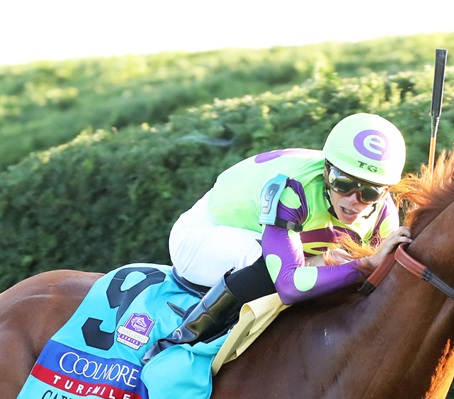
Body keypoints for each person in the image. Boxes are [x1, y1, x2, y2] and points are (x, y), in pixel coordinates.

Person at [143, 112, 413, 362]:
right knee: (270, 262)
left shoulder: (383, 214)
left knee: (335, 263)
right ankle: (179, 341)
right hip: (202, 236)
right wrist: (363, 265)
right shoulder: (292, 187)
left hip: (275, 242)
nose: (354, 201)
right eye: (343, 183)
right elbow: (289, 284)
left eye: (370, 192)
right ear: (326, 171)